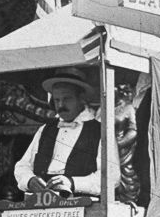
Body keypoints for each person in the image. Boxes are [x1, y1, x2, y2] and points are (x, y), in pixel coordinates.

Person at [13, 68, 102, 198]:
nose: (61, 105)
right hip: (41, 205)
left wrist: (72, 182)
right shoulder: (45, 129)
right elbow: (22, 166)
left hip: (82, 206)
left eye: (66, 99)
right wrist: (30, 180)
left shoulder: (99, 131)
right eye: (57, 100)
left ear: (81, 98)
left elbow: (111, 177)